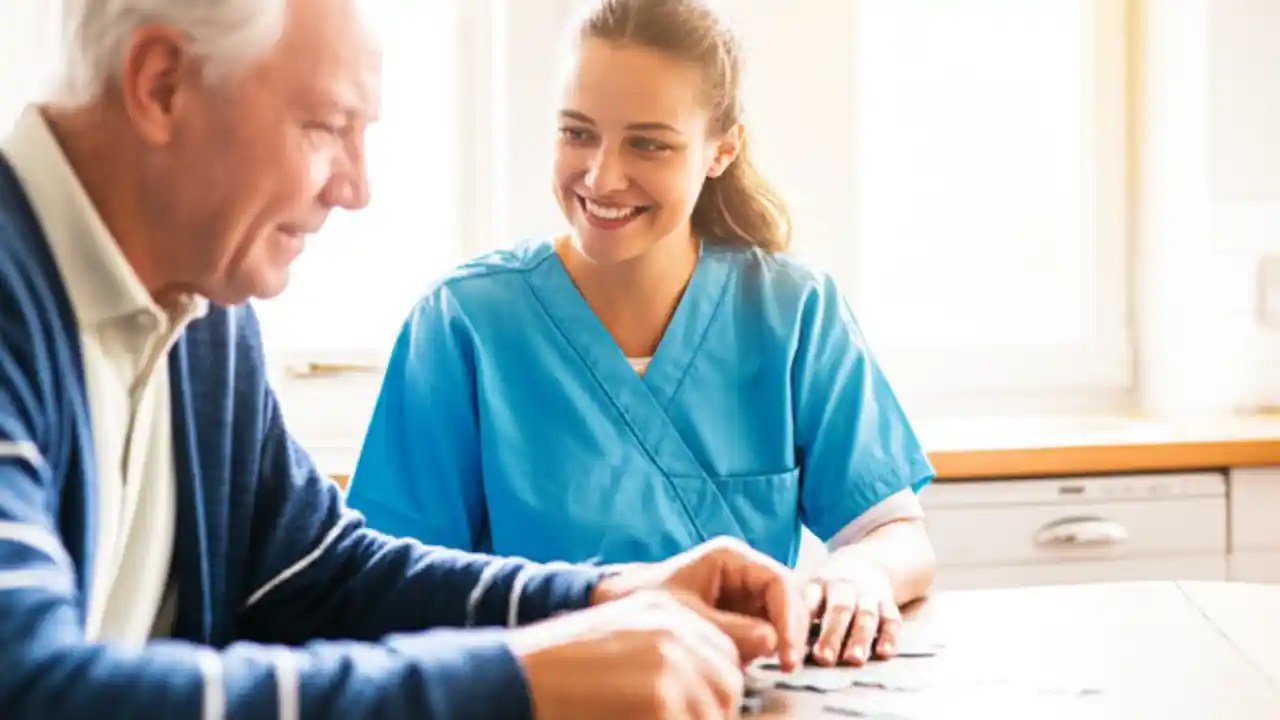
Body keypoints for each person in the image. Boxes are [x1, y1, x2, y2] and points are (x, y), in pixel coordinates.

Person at [0, 1, 813, 718]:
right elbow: (29, 690)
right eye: (325, 126)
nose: (355, 188)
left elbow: (316, 576)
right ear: (162, 85)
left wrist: (608, 598)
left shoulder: (199, 309)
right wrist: (516, 682)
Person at [347, 0, 937, 668]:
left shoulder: (792, 311)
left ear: (722, 149)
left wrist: (862, 573)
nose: (601, 176)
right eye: (577, 134)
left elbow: (892, 530)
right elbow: (390, 582)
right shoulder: (462, 323)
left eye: (648, 143)